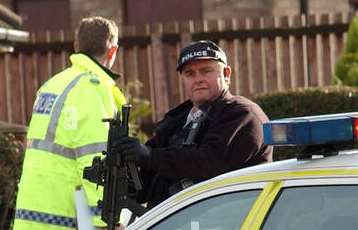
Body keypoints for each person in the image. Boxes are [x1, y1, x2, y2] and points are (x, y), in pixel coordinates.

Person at [10, 16, 125, 230]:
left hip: (50, 210)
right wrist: (105, 221)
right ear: (113, 51)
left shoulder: (52, 85)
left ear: (75, 46)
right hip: (78, 217)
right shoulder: (92, 88)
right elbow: (95, 161)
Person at [111, 40, 270, 210]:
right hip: (176, 226)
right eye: (190, 74)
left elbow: (211, 162)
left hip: (230, 225)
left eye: (205, 71)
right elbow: (150, 181)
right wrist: (125, 167)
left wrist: (151, 157)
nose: (198, 79)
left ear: (226, 73)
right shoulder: (176, 120)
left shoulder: (243, 115)